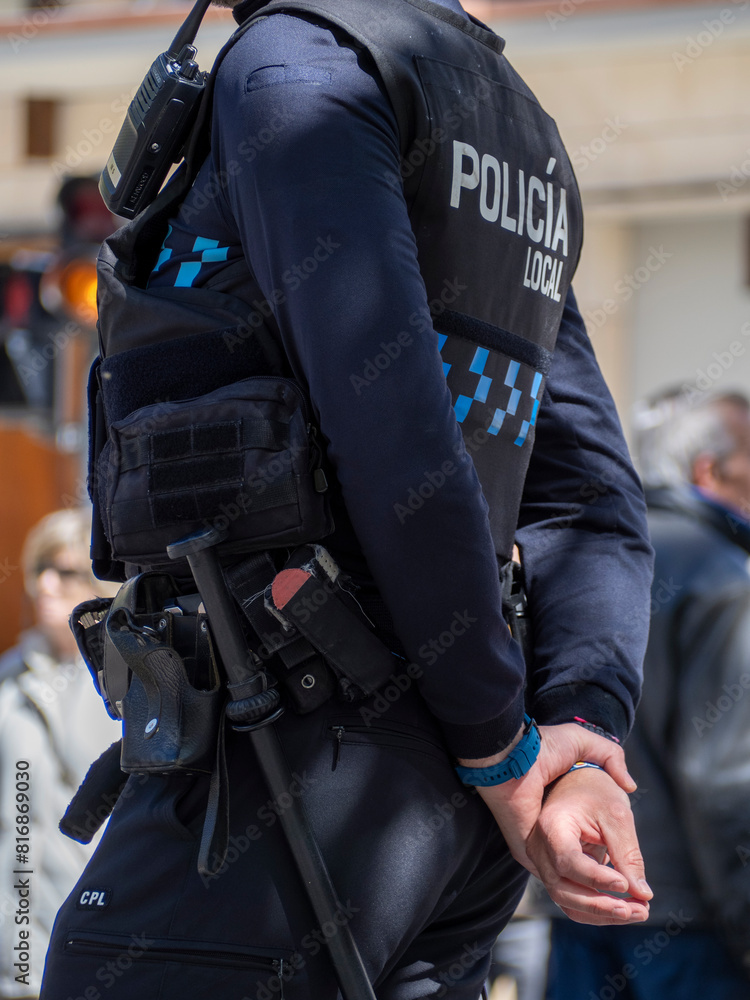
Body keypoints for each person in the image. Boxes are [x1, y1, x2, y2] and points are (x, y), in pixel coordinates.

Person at [41, 0, 654, 997]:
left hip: (291, 768)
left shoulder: (298, 61)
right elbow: (587, 493)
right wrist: (576, 728)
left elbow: (395, 431)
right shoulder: (510, 122)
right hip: (437, 814)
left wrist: (506, 743)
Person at [542, 388, 750, 1000]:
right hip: (690, 918)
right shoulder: (724, 574)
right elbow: (726, 776)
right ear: (708, 468)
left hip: (578, 892)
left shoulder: (585, 556)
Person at [0, 508, 121, 1000]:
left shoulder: (128, 685)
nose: (47, 583)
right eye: (39, 569)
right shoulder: (9, 679)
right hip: (18, 945)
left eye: (66, 571)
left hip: (100, 944)